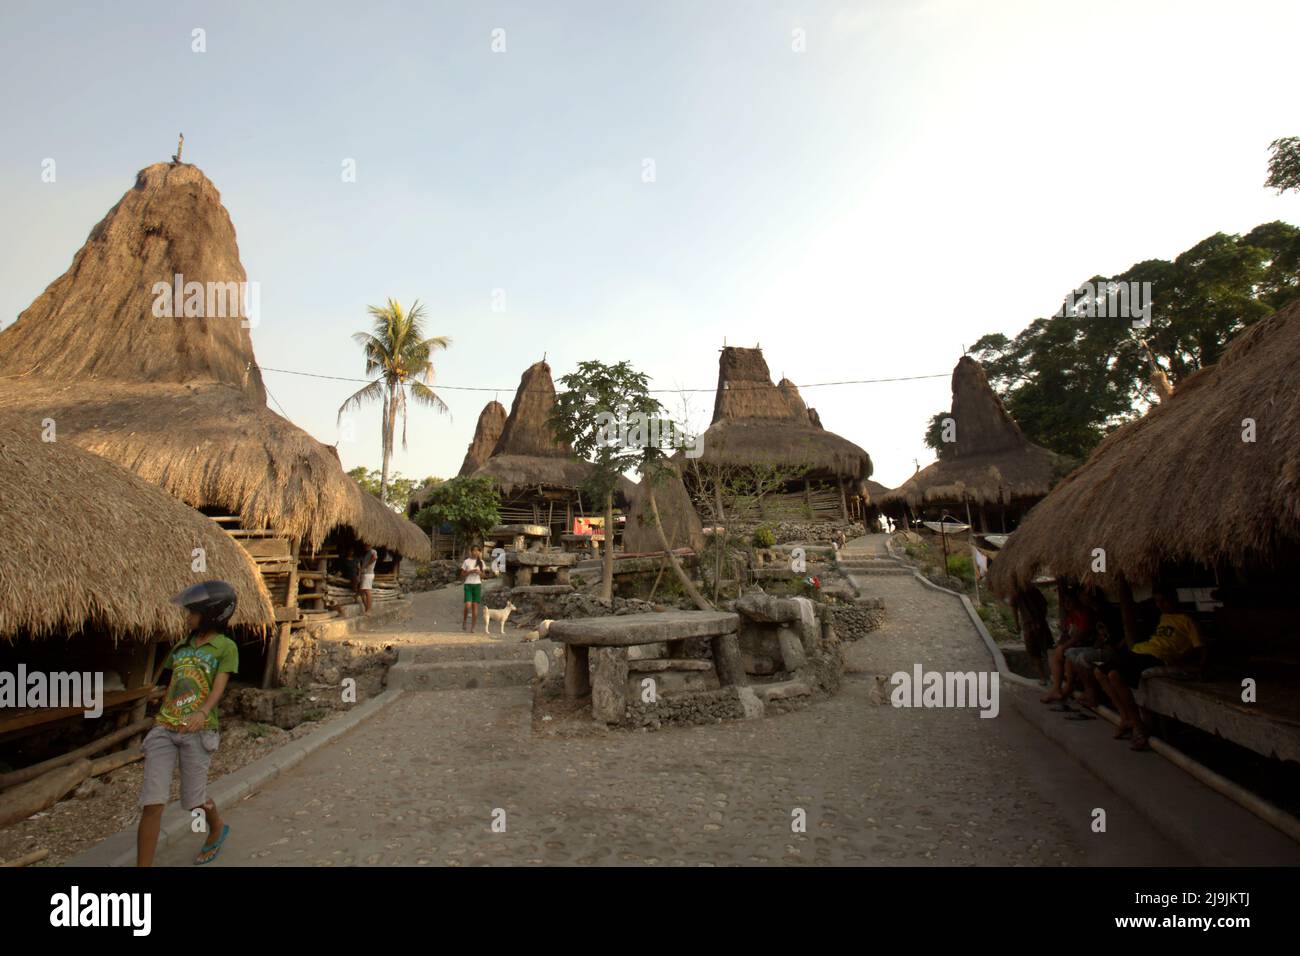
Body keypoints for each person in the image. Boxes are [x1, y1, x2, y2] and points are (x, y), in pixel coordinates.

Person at [137, 580, 239, 867]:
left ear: (210, 613)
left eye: (192, 611)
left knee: (193, 801)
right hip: (165, 730)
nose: (187, 616)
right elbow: (174, 683)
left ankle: (217, 826)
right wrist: (159, 714)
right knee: (152, 803)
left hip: (198, 731)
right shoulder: (181, 647)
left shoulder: (226, 648)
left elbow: (219, 686)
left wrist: (203, 712)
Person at [1096, 587, 1205, 751]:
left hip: (1157, 656)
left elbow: (1200, 647)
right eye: (1157, 601)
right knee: (1099, 672)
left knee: (1114, 675)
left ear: (1174, 600)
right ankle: (1125, 716)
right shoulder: (1163, 617)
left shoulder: (1187, 620)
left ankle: (1138, 725)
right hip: (1140, 650)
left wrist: (1198, 667)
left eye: (1164, 601)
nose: (1160, 605)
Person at [1040, 586, 1096, 703]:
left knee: (1067, 655)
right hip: (1075, 645)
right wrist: (1061, 645)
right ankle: (1058, 688)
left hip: (1086, 644)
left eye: (1069, 601)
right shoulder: (1071, 616)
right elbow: (1067, 634)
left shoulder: (1085, 614)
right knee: (1055, 653)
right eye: (1065, 601)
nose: (1067, 604)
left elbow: (1082, 634)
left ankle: (1063, 688)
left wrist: (1064, 647)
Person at [460, 545, 488, 632]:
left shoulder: (481, 562)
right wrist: (470, 571)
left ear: (480, 552)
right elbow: (462, 574)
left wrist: (479, 573)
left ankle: (473, 627)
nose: (475, 552)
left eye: (477, 551)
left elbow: (484, 576)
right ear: (471, 551)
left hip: (477, 585)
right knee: (468, 605)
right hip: (468, 584)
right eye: (474, 550)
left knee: (475, 607)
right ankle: (464, 621)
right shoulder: (466, 562)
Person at [357, 545, 378, 614]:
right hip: (365, 574)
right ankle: (367, 609)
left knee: (368, 592)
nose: (365, 545)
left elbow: (375, 557)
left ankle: (369, 610)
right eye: (365, 544)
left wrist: (366, 566)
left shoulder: (373, 551)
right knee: (362, 592)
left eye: (367, 544)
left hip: (368, 574)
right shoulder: (367, 553)